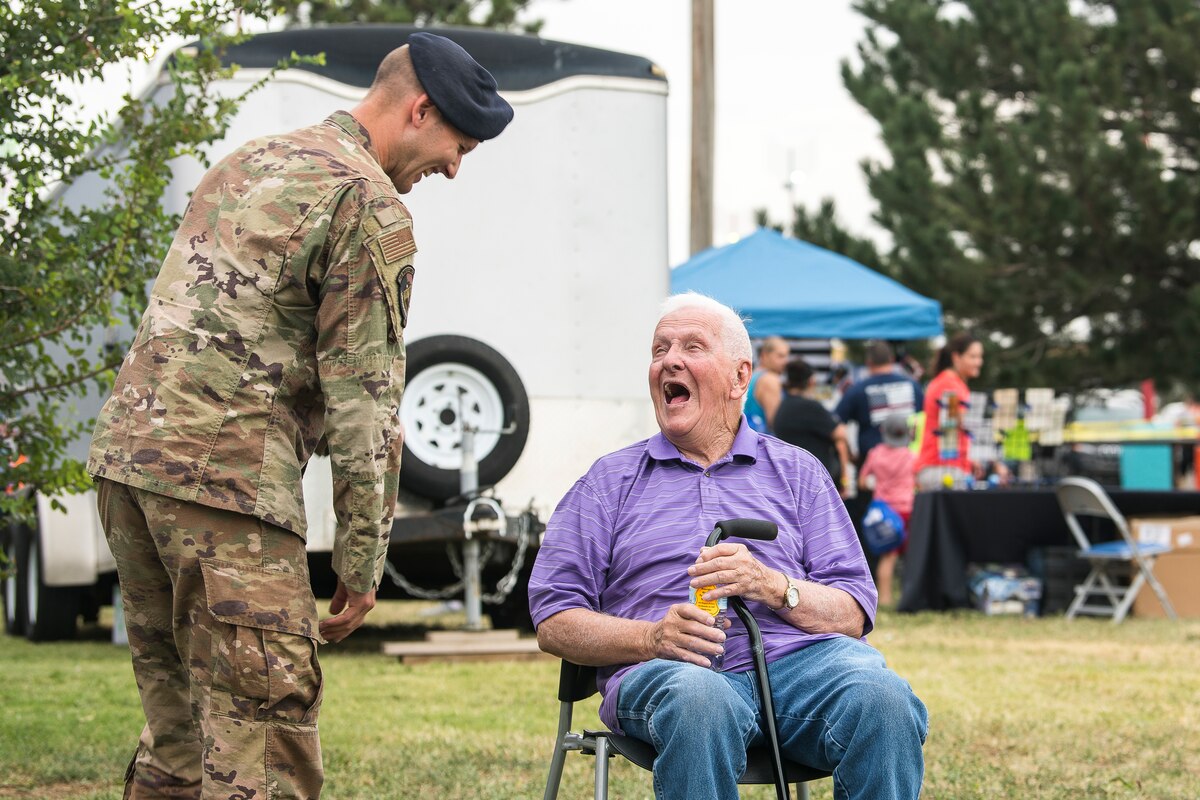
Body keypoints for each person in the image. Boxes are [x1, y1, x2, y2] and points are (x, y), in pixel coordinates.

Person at [87, 33, 512, 798]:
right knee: (265, 742)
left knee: (180, 742)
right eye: (459, 147)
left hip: (130, 473)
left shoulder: (250, 160)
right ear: (420, 110)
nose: (453, 168)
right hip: (226, 491)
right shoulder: (365, 201)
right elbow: (365, 405)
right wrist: (361, 563)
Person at [529, 292, 928, 800]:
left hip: (803, 665)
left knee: (884, 700)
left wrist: (773, 585)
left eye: (692, 347)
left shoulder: (798, 471)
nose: (669, 360)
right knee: (699, 703)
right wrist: (651, 639)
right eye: (659, 350)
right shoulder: (609, 481)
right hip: (674, 674)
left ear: (741, 377)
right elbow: (553, 616)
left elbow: (854, 608)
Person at [913, 332, 1007, 490]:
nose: (979, 362)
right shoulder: (951, 384)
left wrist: (971, 459)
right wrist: (995, 462)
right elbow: (965, 424)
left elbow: (954, 427)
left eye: (980, 357)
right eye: (973, 357)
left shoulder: (948, 382)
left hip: (940, 468)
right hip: (942, 469)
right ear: (956, 357)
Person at [834, 340, 923, 465]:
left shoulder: (858, 390)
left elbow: (837, 426)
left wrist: (851, 456)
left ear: (868, 362)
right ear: (892, 359)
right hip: (908, 465)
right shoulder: (913, 386)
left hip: (871, 469)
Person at [858, 413, 916, 607]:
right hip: (908, 509)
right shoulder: (911, 455)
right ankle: (910, 595)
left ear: (883, 431)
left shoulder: (876, 454)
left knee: (888, 557)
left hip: (884, 512)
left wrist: (879, 484)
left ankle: (885, 599)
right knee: (912, 555)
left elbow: (863, 482)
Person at [773, 358, 852, 495]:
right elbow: (840, 434)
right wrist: (845, 479)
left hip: (791, 481)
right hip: (816, 485)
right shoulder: (810, 407)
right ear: (811, 381)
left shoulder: (782, 407)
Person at [744, 335, 787, 433]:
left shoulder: (752, 376)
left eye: (786, 356)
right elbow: (775, 422)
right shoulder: (770, 380)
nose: (785, 361)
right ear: (765, 355)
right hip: (763, 441)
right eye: (780, 356)